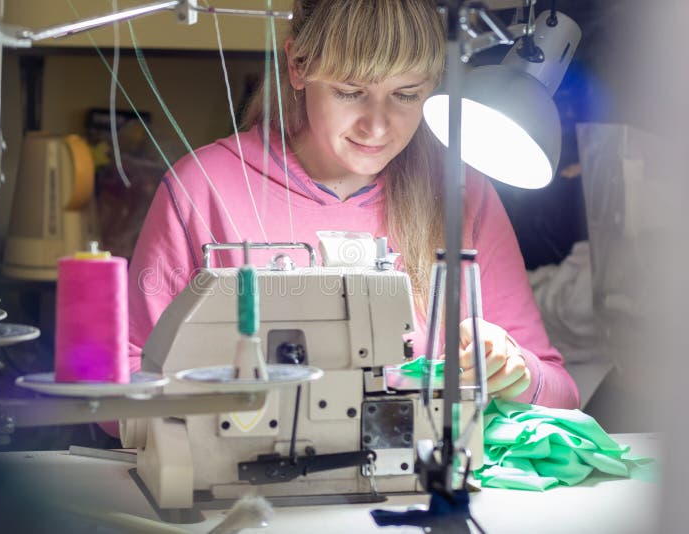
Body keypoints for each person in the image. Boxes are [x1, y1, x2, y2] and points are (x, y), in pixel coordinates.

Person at [125, 0, 579, 433]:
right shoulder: (202, 189)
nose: (376, 126)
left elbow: (561, 392)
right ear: (298, 67)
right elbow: (120, 387)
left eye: (406, 95)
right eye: (350, 92)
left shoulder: (462, 194)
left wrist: (512, 371)